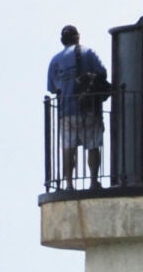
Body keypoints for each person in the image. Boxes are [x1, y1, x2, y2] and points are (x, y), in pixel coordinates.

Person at [47, 25, 110, 190]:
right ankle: (93, 181)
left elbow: (53, 88)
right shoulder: (88, 53)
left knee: (69, 148)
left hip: (65, 111)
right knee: (93, 145)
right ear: (77, 37)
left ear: (62, 40)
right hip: (88, 108)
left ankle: (68, 184)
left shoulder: (54, 61)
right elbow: (102, 73)